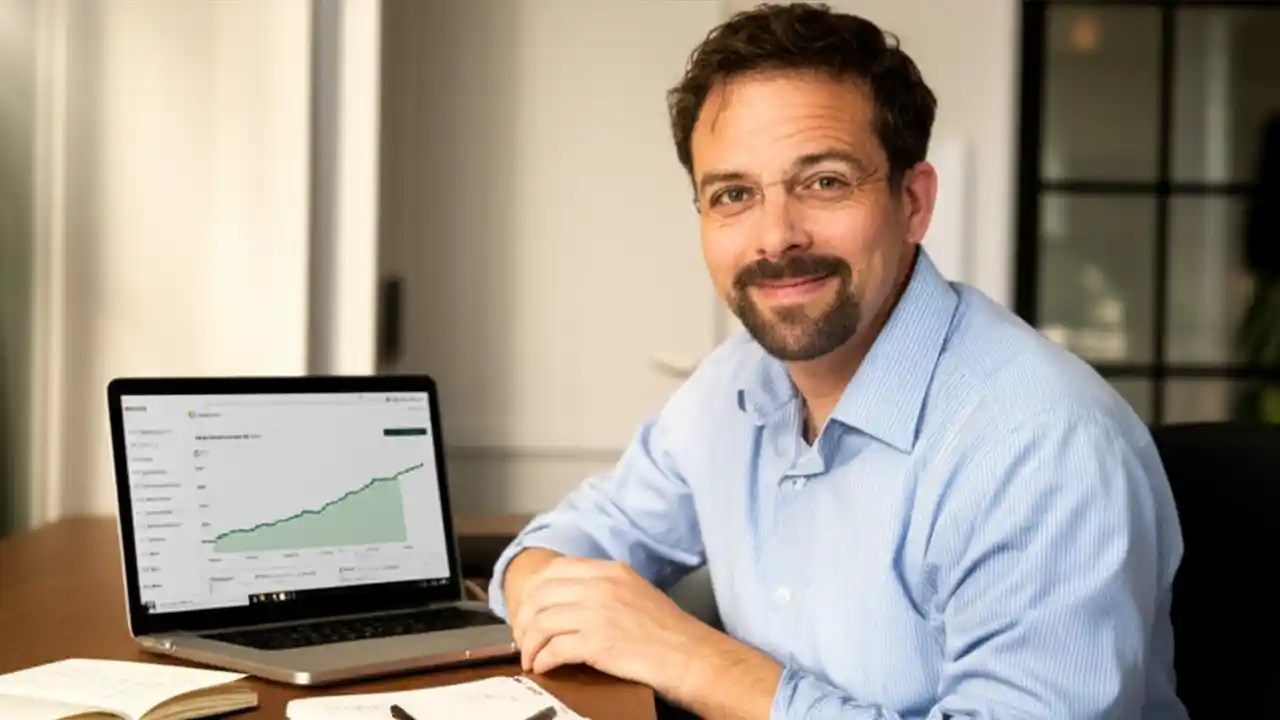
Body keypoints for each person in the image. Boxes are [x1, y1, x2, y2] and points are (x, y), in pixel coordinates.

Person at [487, 4, 1187, 718]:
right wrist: (547, 585)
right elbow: (564, 543)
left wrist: (688, 656)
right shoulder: (736, 384)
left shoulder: (1041, 444)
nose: (775, 236)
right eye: (733, 195)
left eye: (823, 182)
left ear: (912, 203)